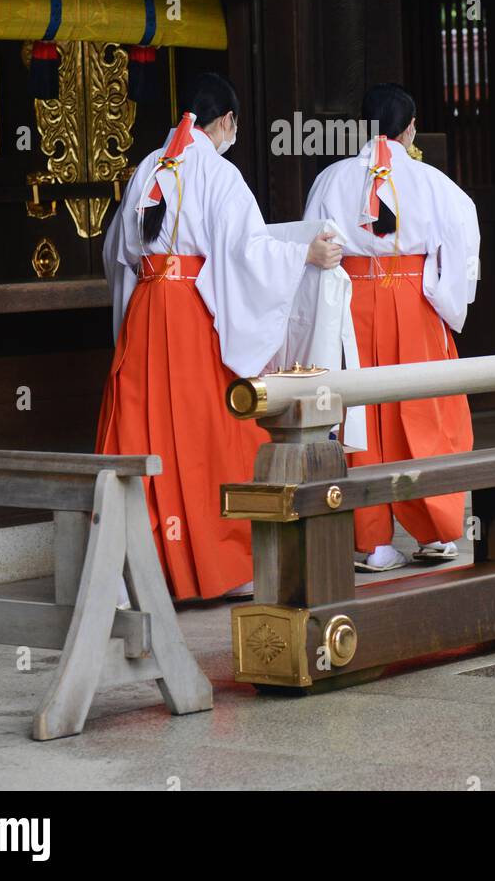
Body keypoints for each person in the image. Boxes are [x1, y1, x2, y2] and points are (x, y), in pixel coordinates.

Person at [97, 71, 342, 601]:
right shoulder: (219, 173)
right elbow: (244, 254)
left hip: (146, 310)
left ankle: (132, 571)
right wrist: (305, 253)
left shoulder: (147, 168)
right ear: (226, 120)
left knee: (140, 428)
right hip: (189, 315)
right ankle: (216, 563)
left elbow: (117, 252)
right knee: (208, 428)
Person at [304, 83, 480, 572]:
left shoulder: (332, 179)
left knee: (361, 418)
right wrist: (446, 300)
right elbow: (461, 241)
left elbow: (312, 244)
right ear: (410, 127)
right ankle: (439, 532)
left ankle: (373, 543)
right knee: (428, 412)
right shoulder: (430, 181)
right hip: (415, 303)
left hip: (353, 307)